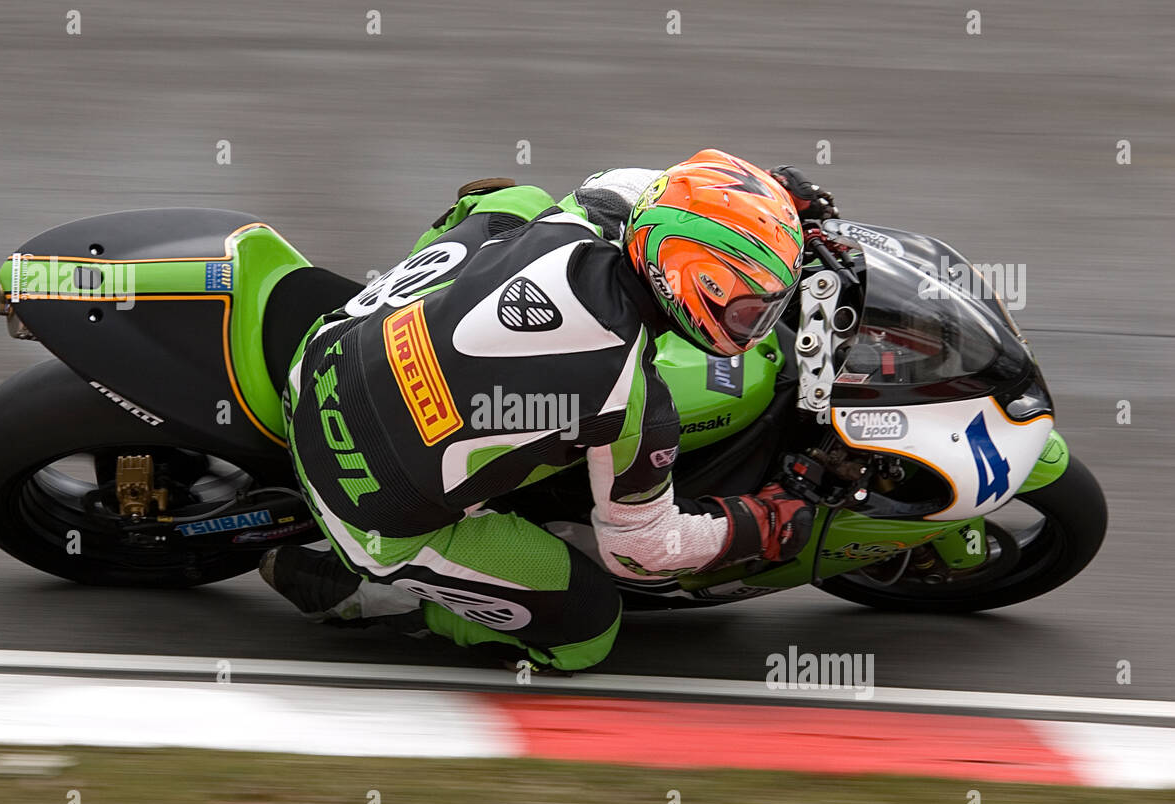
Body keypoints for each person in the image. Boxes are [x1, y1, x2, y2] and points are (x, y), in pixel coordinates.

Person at [261, 149, 836, 672]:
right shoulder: (628, 396)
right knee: (588, 632)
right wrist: (757, 525)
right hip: (366, 509)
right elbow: (641, 551)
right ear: (692, 286)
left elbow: (663, 189)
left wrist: (772, 204)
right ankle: (379, 599)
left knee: (509, 203)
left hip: (322, 353)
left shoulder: (597, 207)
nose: (757, 322)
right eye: (750, 309)